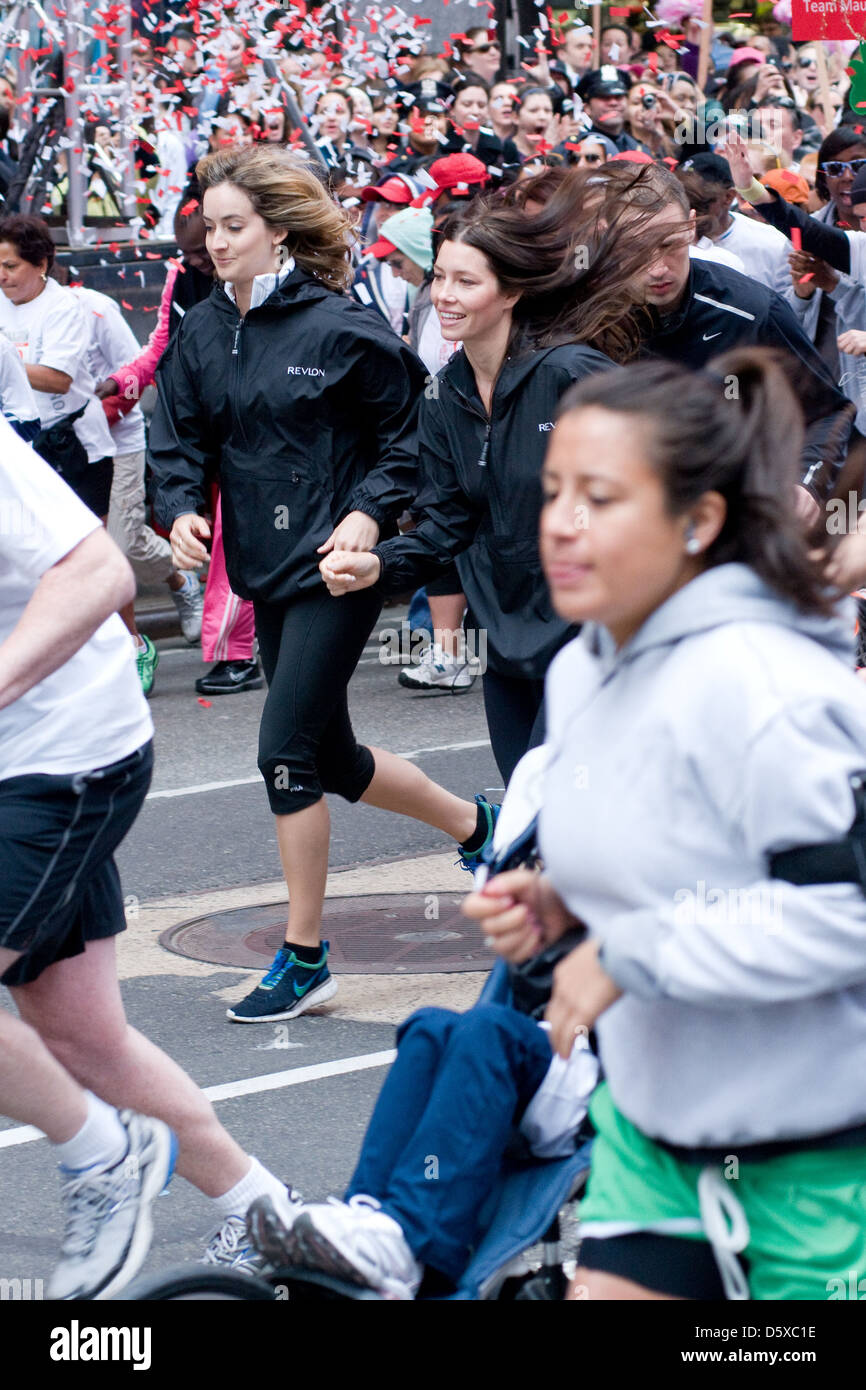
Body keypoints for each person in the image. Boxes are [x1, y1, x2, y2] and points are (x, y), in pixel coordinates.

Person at [467, 347, 866, 1302]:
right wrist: (568, 900)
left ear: (700, 521)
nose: (559, 524)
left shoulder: (767, 688)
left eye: (601, 499)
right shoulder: (583, 668)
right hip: (654, 1139)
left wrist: (630, 951)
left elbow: (843, 913)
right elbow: (694, 869)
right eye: (555, 488)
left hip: (821, 1165)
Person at [148, 146, 500, 1025]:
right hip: (264, 565)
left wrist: (373, 516)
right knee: (331, 757)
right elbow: (179, 431)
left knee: (284, 752)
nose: (215, 240)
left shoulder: (342, 328)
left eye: (234, 226)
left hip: (339, 569)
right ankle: (480, 829)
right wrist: (184, 508)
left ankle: (305, 958)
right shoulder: (201, 326)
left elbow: (410, 439)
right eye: (210, 224)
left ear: (279, 233)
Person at [0, 417, 295, 1295]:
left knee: (81, 1063)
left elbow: (99, 570)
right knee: (85, 1039)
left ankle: (106, 1153)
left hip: (61, 759)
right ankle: (274, 1218)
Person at [318, 180, 674, 782]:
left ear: (510, 293)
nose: (446, 296)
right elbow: (448, 524)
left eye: (467, 281)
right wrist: (379, 565)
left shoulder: (571, 372)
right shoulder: (443, 393)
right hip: (505, 641)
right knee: (532, 810)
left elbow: (651, 491)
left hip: (593, 633)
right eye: (440, 278)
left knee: (560, 809)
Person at [588, 162, 855, 518]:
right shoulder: (584, 315)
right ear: (606, 236)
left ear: (691, 226)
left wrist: (805, 483)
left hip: (735, 522)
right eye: (634, 249)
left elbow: (829, 411)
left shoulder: (751, 309)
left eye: (668, 244)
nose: (657, 268)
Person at [0, 214, 115, 522]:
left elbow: (57, 379)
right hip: (20, 446)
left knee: (85, 548)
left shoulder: (63, 307)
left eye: (10, 267)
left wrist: (5, 363)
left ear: (40, 265)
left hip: (74, 445)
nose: (2, 276)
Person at [676, 152, 792, 293]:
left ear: (728, 197)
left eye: (697, 202)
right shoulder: (666, 242)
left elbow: (789, 307)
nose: (688, 210)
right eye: (679, 199)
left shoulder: (772, 243)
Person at [576, 69, 640, 154]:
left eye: (618, 97)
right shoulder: (576, 147)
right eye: (605, 97)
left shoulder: (638, 148)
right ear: (587, 108)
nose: (613, 103)